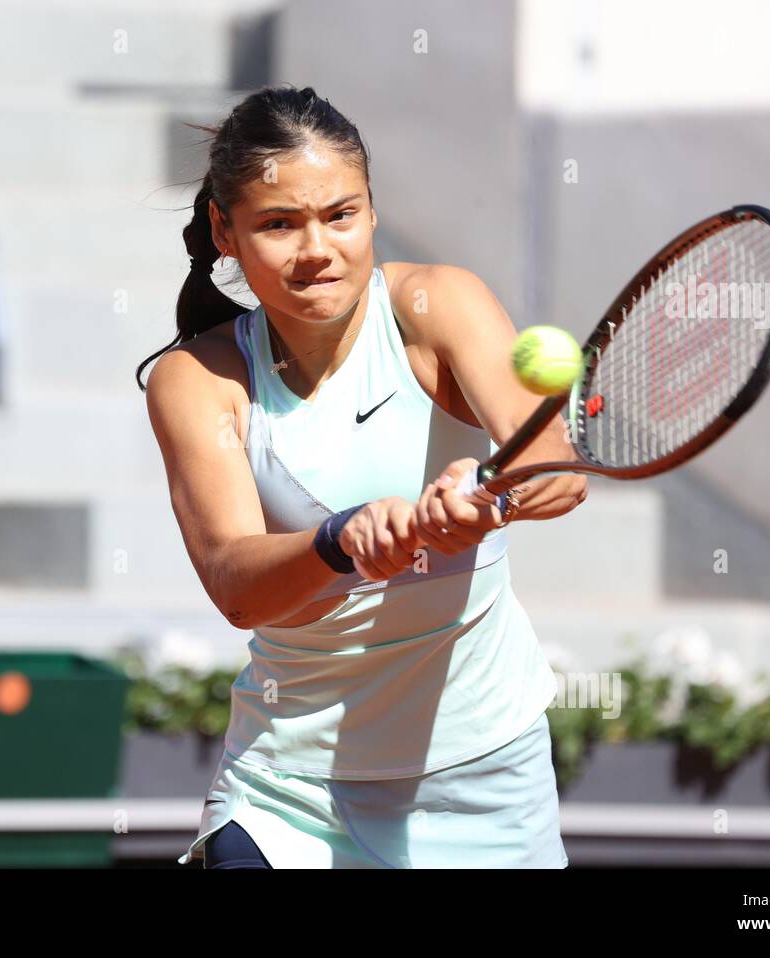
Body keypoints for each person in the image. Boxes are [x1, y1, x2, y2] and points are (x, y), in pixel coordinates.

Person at [137, 84, 586, 868]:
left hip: (486, 781)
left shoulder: (440, 304)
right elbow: (237, 585)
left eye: (342, 214)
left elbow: (558, 473)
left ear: (372, 210)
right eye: (279, 224)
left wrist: (487, 498)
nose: (319, 248)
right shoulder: (195, 380)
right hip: (290, 793)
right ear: (225, 231)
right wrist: (340, 541)